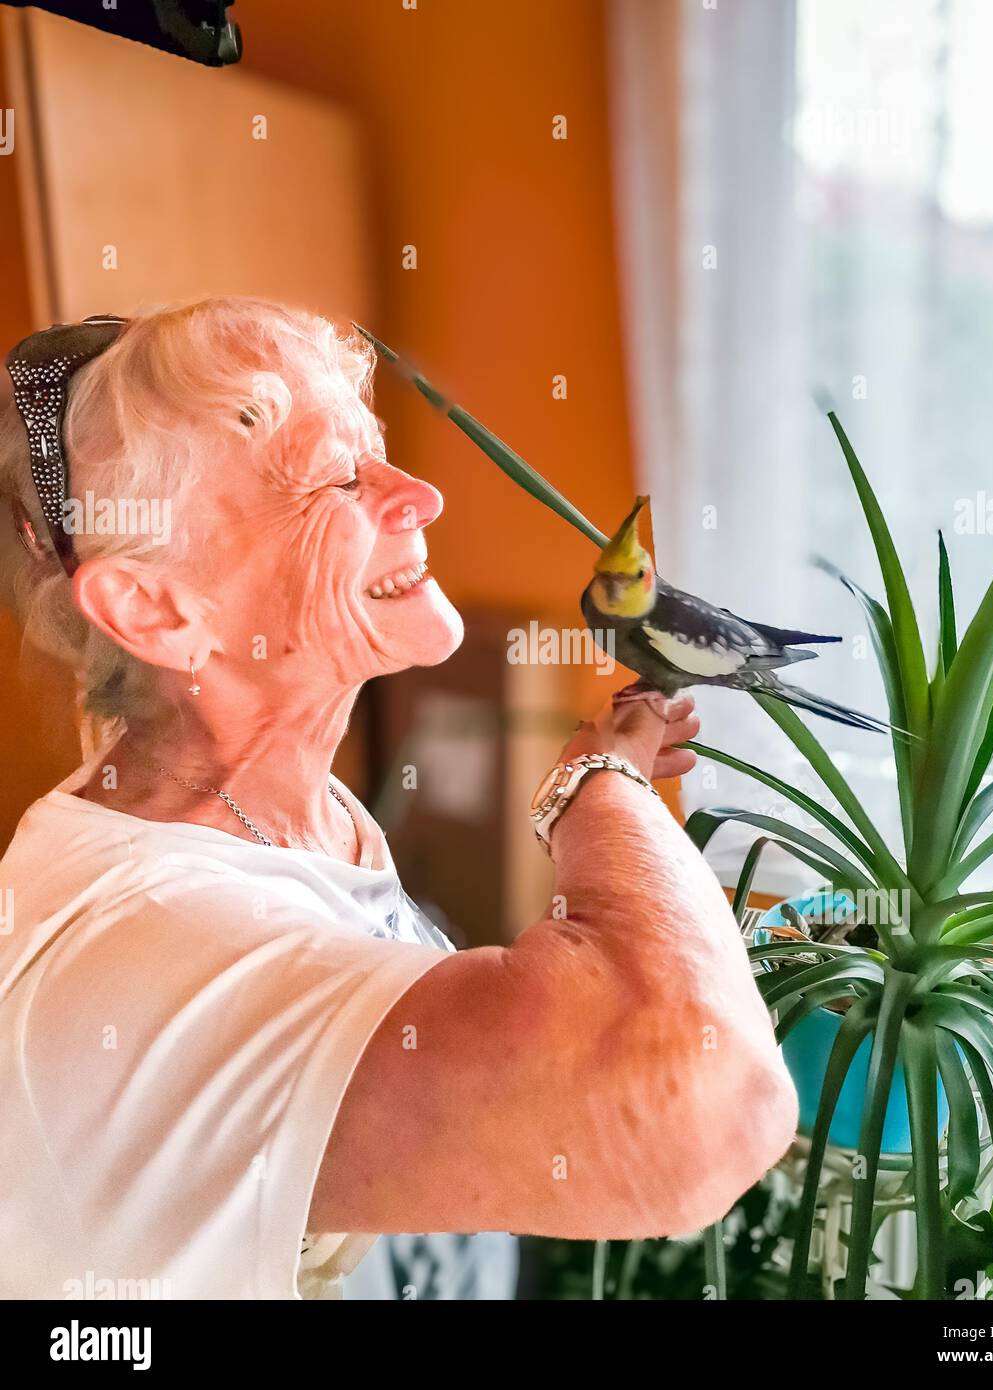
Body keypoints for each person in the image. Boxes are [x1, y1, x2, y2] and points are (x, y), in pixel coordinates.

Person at [0, 298, 796, 1299]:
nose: (420, 494)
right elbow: (699, 1103)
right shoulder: (151, 944)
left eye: (373, 451)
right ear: (155, 609)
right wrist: (601, 786)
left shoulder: (284, 809)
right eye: (332, 476)